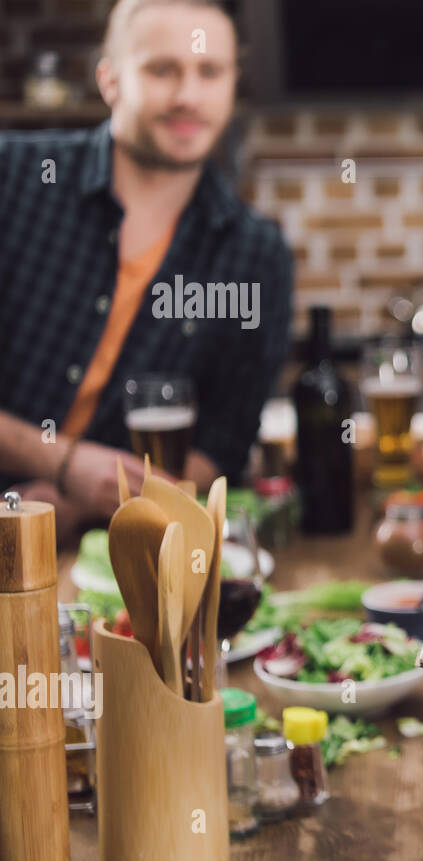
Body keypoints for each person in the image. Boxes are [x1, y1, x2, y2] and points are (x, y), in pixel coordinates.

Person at [0, 0, 293, 541]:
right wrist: (62, 462)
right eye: (163, 69)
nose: (188, 95)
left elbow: (218, 450)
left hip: (112, 561)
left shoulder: (257, 255)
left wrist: (80, 506)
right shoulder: (15, 178)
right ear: (110, 81)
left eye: (209, 71)